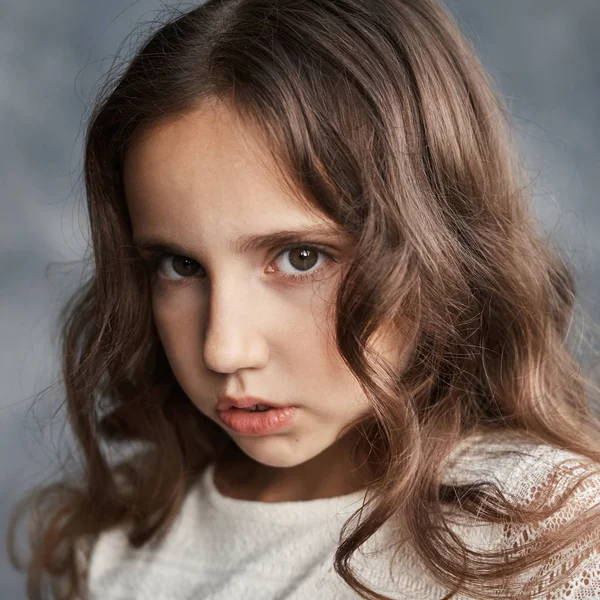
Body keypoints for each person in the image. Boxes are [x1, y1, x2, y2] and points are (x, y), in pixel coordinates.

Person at [7, 0, 600, 598]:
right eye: (180, 266)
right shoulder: (120, 536)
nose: (223, 349)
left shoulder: (549, 536)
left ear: (437, 242)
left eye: (300, 257)